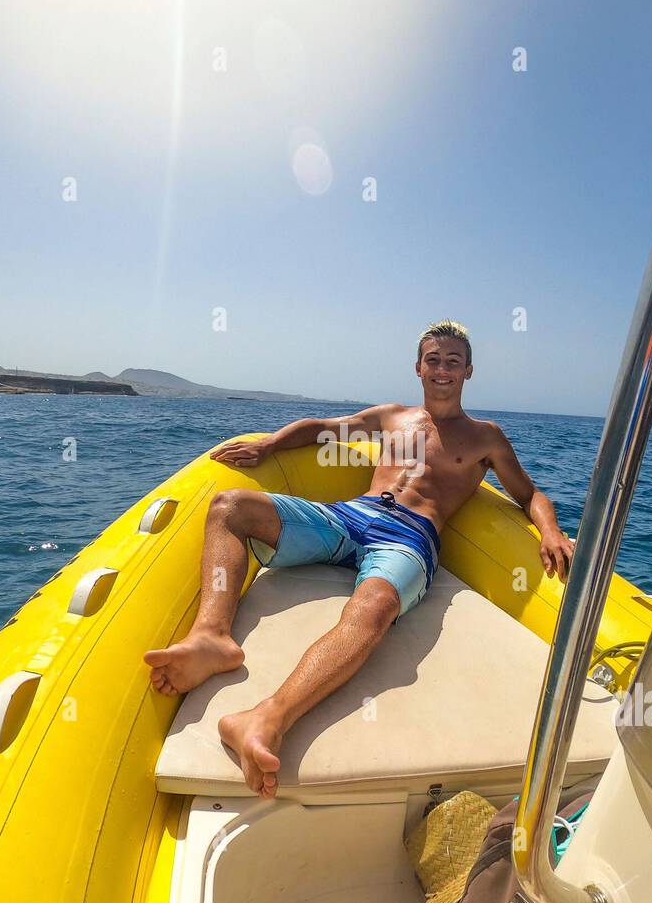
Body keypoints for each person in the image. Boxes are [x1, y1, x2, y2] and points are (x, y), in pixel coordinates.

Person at [143, 320, 576, 796]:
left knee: (373, 609)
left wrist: (550, 530)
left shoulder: (485, 437)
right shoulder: (394, 416)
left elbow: (529, 492)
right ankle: (211, 638)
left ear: (468, 371)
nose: (442, 369)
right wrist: (269, 443)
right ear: (418, 367)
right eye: (434, 359)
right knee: (230, 507)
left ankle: (267, 718)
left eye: (453, 361)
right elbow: (324, 428)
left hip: (409, 539)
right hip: (352, 517)